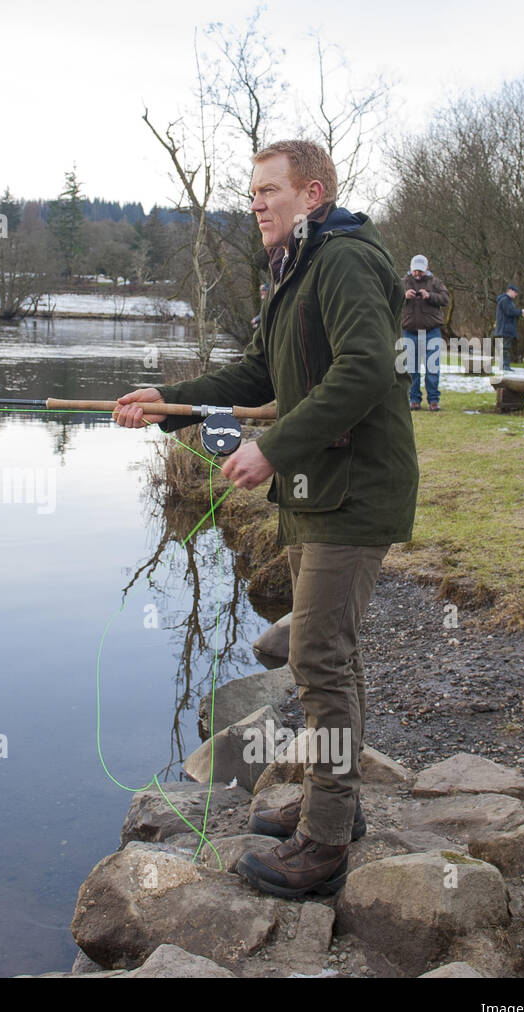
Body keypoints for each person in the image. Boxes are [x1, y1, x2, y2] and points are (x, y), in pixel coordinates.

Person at [113, 140, 418, 899]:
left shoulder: (342, 259)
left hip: (356, 488)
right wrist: (166, 401)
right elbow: (258, 374)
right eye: (250, 192)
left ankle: (325, 843)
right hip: (322, 486)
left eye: (268, 190)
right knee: (330, 654)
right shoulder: (294, 271)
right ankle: (334, 809)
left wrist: (273, 448)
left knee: (315, 654)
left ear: (311, 194)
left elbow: (364, 368)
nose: (255, 203)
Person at [401, 254, 449, 411]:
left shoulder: (435, 282)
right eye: (415, 271)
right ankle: (414, 399)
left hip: (431, 331)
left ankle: (433, 400)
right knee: (411, 369)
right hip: (409, 331)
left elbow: (445, 299)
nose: (417, 274)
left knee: (432, 368)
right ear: (411, 269)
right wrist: (404, 296)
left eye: (420, 271)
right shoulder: (403, 282)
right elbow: (390, 298)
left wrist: (430, 296)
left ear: (426, 269)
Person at [493, 284, 524, 371]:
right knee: (505, 348)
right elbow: (509, 312)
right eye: (515, 292)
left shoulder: (508, 301)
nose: (516, 294)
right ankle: (505, 365)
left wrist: (520, 314)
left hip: (506, 328)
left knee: (505, 347)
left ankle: (504, 365)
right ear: (509, 290)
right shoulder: (505, 300)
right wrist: (521, 312)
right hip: (505, 328)